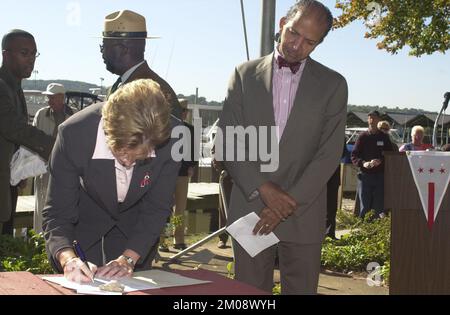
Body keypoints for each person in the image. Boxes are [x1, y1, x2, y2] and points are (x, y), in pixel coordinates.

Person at [218, 0, 347, 294]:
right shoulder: (243, 74)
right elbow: (228, 140)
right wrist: (264, 189)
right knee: (250, 294)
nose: (296, 45)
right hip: (251, 209)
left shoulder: (334, 85)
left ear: (319, 44)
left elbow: (328, 155)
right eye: (293, 32)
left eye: (309, 42)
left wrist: (284, 205)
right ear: (282, 24)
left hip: (304, 212)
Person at [42, 79, 181, 283]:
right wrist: (67, 257)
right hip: (83, 229)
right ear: (109, 132)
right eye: (124, 153)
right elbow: (57, 212)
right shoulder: (73, 134)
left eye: (140, 157)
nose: (130, 164)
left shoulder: (173, 138)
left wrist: (129, 257)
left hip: (135, 234)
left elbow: (157, 207)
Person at [0, 29, 54, 235]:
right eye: (24, 53)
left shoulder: (14, 87)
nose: (31, 60)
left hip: (8, 184)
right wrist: (57, 146)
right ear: (6, 55)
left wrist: (17, 170)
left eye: (34, 54)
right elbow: (15, 128)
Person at [101, 9, 183, 119]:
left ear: (123, 49)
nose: (102, 52)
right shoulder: (152, 88)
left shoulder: (155, 94)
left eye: (105, 46)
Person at [32, 83, 73, 234]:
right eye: (48, 97)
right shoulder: (41, 115)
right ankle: (39, 241)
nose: (49, 101)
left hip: (66, 171)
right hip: (43, 167)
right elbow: (32, 140)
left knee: (63, 208)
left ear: (62, 98)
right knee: (41, 205)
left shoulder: (74, 115)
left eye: (52, 97)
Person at [159, 99, 198, 251]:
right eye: (181, 110)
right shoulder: (165, 127)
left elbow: (193, 150)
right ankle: (161, 240)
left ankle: (178, 239)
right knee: (162, 208)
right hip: (166, 174)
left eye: (184, 110)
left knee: (179, 209)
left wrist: (191, 167)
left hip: (182, 173)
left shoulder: (190, 129)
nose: (184, 113)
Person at [351, 111, 394, 219]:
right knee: (365, 206)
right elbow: (354, 155)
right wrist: (363, 163)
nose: (371, 120)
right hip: (365, 176)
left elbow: (390, 155)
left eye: (374, 118)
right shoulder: (363, 137)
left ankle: (376, 232)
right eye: (369, 118)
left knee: (379, 207)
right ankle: (363, 230)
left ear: (379, 120)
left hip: (380, 176)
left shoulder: (384, 137)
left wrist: (381, 161)